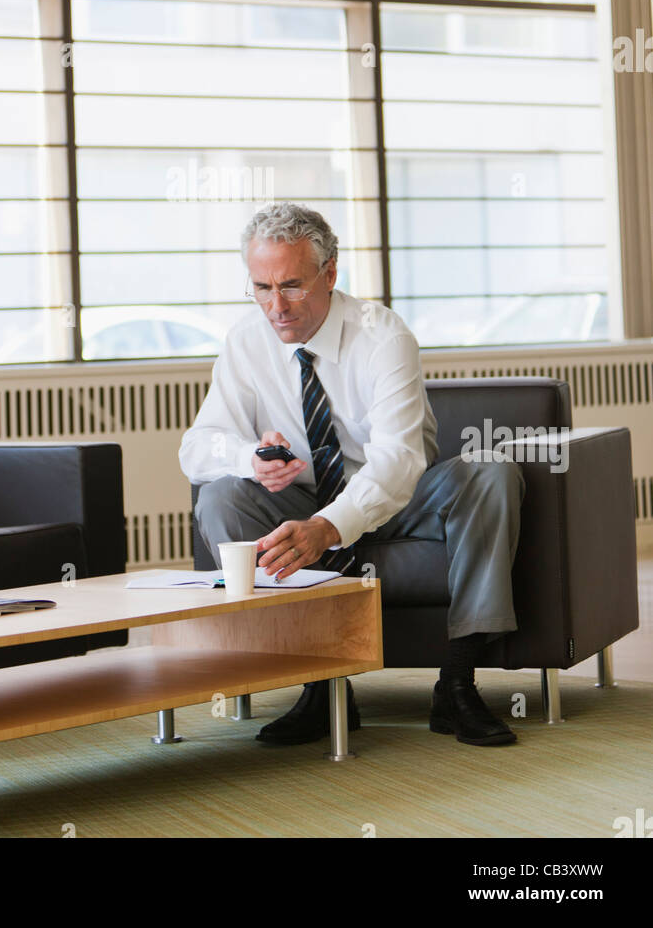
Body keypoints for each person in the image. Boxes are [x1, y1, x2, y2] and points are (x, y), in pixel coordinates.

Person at [179, 202, 525, 748]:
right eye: (261, 287)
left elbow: (399, 460)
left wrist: (329, 526)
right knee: (222, 498)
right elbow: (196, 449)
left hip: (401, 502)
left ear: (330, 272)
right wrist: (251, 457)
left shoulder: (383, 336)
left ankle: (457, 685)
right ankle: (318, 685)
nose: (276, 306)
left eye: (291, 285)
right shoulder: (246, 342)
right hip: (301, 501)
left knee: (490, 471)